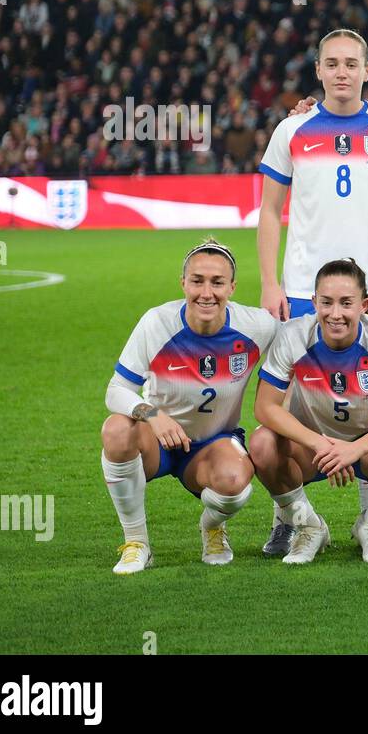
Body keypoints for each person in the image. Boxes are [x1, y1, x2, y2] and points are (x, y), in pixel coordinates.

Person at [256, 28, 368, 553]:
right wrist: (269, 281)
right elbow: (269, 210)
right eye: (332, 63)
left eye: (352, 63)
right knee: (288, 398)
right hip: (306, 285)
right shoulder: (293, 128)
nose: (343, 72)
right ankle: (290, 516)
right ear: (319, 70)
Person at [100, 240, 276, 574]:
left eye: (217, 282)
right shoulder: (157, 323)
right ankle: (137, 543)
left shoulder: (257, 326)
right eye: (197, 281)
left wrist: (367, 322)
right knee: (116, 430)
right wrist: (152, 415)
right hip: (157, 443)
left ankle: (212, 528)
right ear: (183, 283)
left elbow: (307, 337)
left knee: (235, 482)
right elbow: (116, 390)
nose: (206, 292)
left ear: (232, 287)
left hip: (211, 445)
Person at [250, 258, 368, 564]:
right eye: (326, 302)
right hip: (312, 447)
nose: (335, 314)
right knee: (261, 443)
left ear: (364, 305)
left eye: (346, 303)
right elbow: (265, 407)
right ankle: (309, 526)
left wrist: (355, 448)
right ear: (313, 303)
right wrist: (320, 443)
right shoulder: (294, 335)